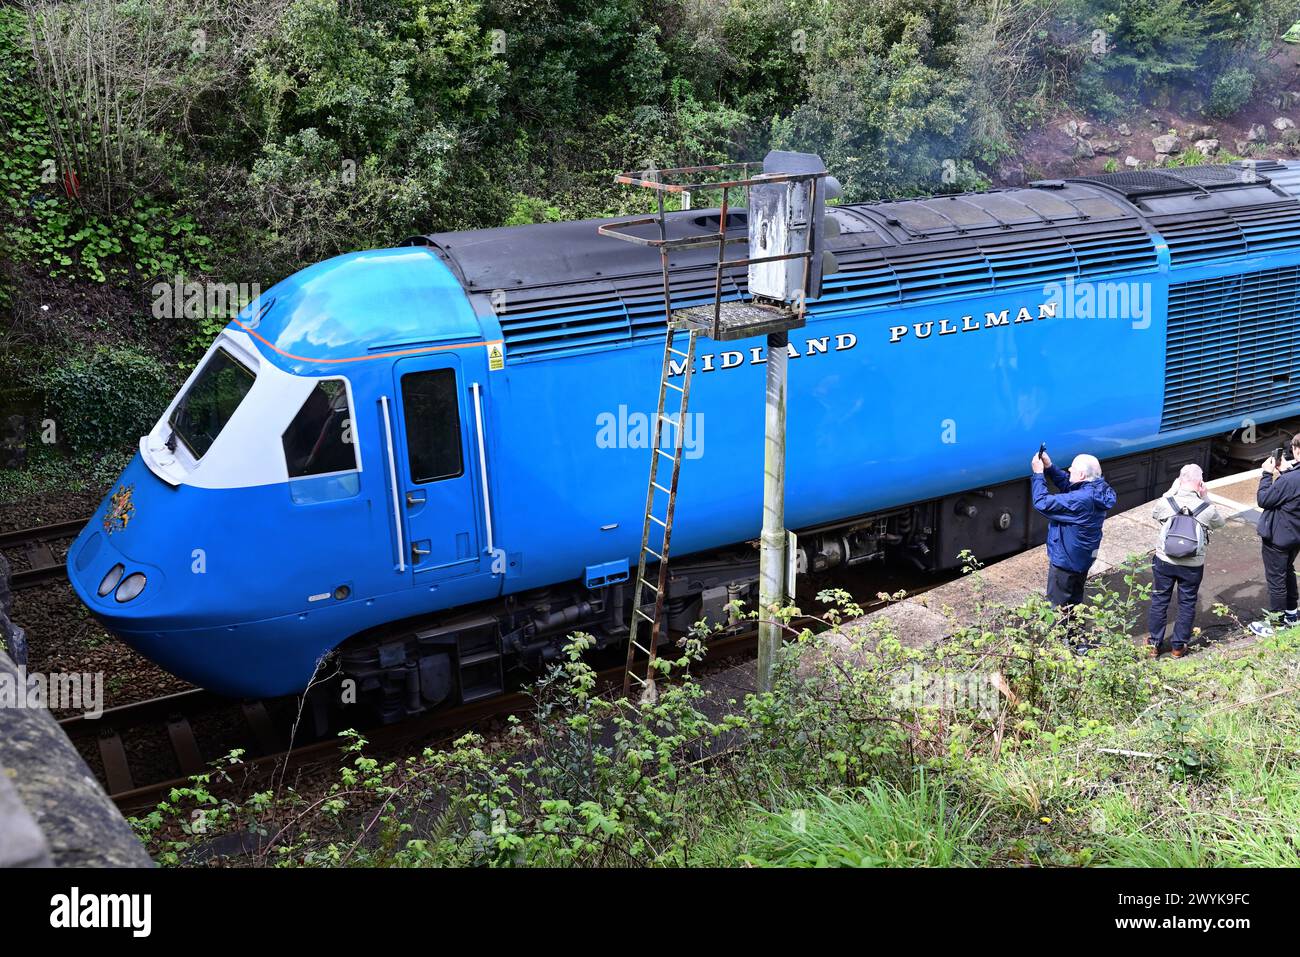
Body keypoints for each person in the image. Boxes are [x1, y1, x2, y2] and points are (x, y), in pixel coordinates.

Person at [1031, 450, 1117, 643]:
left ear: (1082, 475)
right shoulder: (1099, 489)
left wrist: (1038, 474)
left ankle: (1056, 647)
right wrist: (1050, 467)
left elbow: (1041, 503)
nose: (1068, 470)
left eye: (1072, 469)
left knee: (1056, 605)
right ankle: (1076, 641)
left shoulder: (1081, 500)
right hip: (1082, 557)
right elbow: (1071, 486)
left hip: (1066, 559)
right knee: (1075, 601)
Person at [1148, 464, 1225, 657]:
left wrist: (1170, 491)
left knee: (1159, 600)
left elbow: (1155, 514)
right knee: (1187, 603)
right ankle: (1177, 647)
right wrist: (1205, 496)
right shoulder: (1206, 508)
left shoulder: (1168, 502)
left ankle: (1153, 645)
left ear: (1179, 480)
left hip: (1164, 560)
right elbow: (1220, 524)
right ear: (1200, 483)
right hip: (1192, 564)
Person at [1250, 435, 1300, 637]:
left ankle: (1275, 624)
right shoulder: (1292, 477)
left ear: (1297, 450)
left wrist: (1266, 474)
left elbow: (1264, 499)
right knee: (1287, 571)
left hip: (1278, 537)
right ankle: (1291, 613)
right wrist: (1287, 470)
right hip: (1296, 535)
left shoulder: (1290, 480)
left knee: (1276, 580)